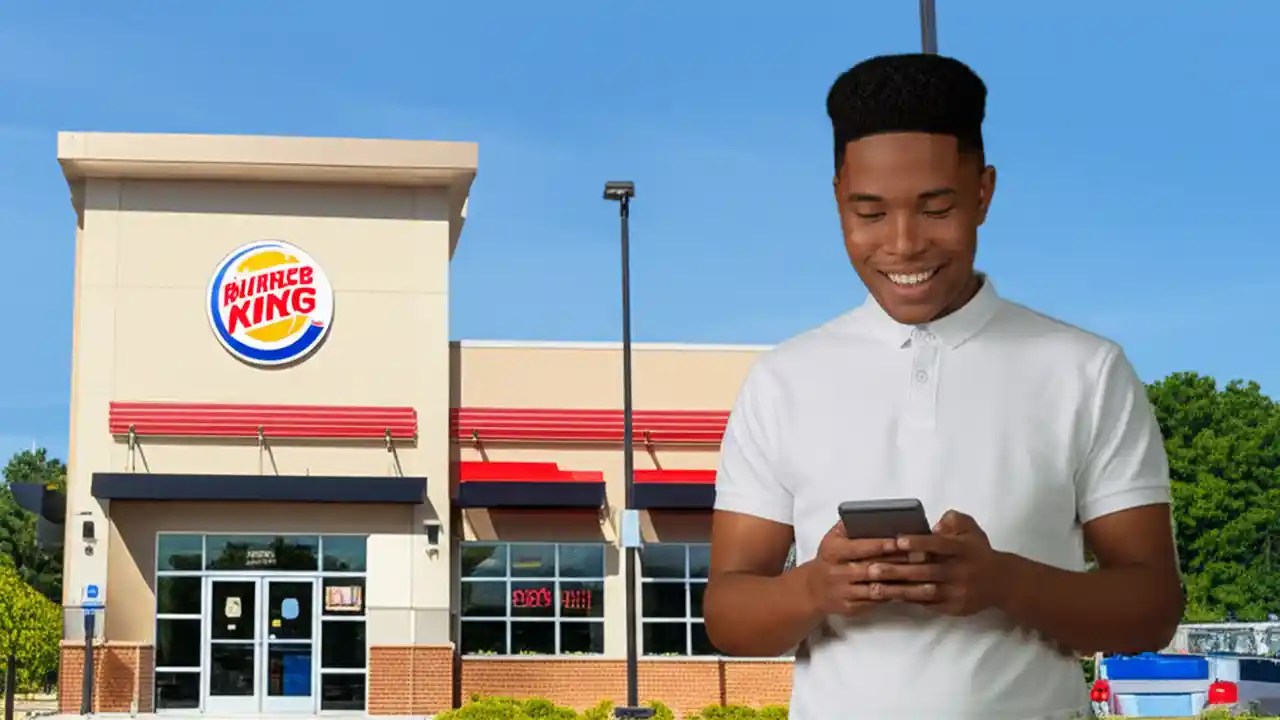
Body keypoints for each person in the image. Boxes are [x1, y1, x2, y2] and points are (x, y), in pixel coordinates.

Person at [703, 53, 1183, 720]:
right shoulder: (783, 379)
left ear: (984, 192)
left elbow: (1153, 609)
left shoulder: (1087, 370)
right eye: (869, 213)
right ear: (838, 196)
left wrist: (1004, 583)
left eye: (936, 208)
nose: (903, 245)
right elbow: (727, 615)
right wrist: (817, 587)